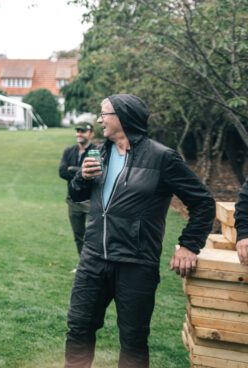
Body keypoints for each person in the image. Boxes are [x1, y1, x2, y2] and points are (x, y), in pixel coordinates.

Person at [65, 94, 215, 368]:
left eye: (104, 114)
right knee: (78, 330)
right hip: (93, 259)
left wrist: (189, 245)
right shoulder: (98, 152)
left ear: (123, 117)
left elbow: (203, 203)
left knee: (133, 340)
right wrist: (81, 178)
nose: (99, 119)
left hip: (136, 264)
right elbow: (76, 195)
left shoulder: (162, 158)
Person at [59, 122, 94, 269]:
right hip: (73, 200)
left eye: (83, 131)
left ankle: (94, 265)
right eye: (78, 131)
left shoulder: (95, 151)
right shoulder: (69, 151)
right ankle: (84, 265)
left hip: (91, 201)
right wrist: (82, 172)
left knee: (93, 236)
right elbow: (62, 172)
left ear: (91, 133)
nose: (79, 134)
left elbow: (95, 175)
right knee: (78, 236)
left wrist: (73, 169)